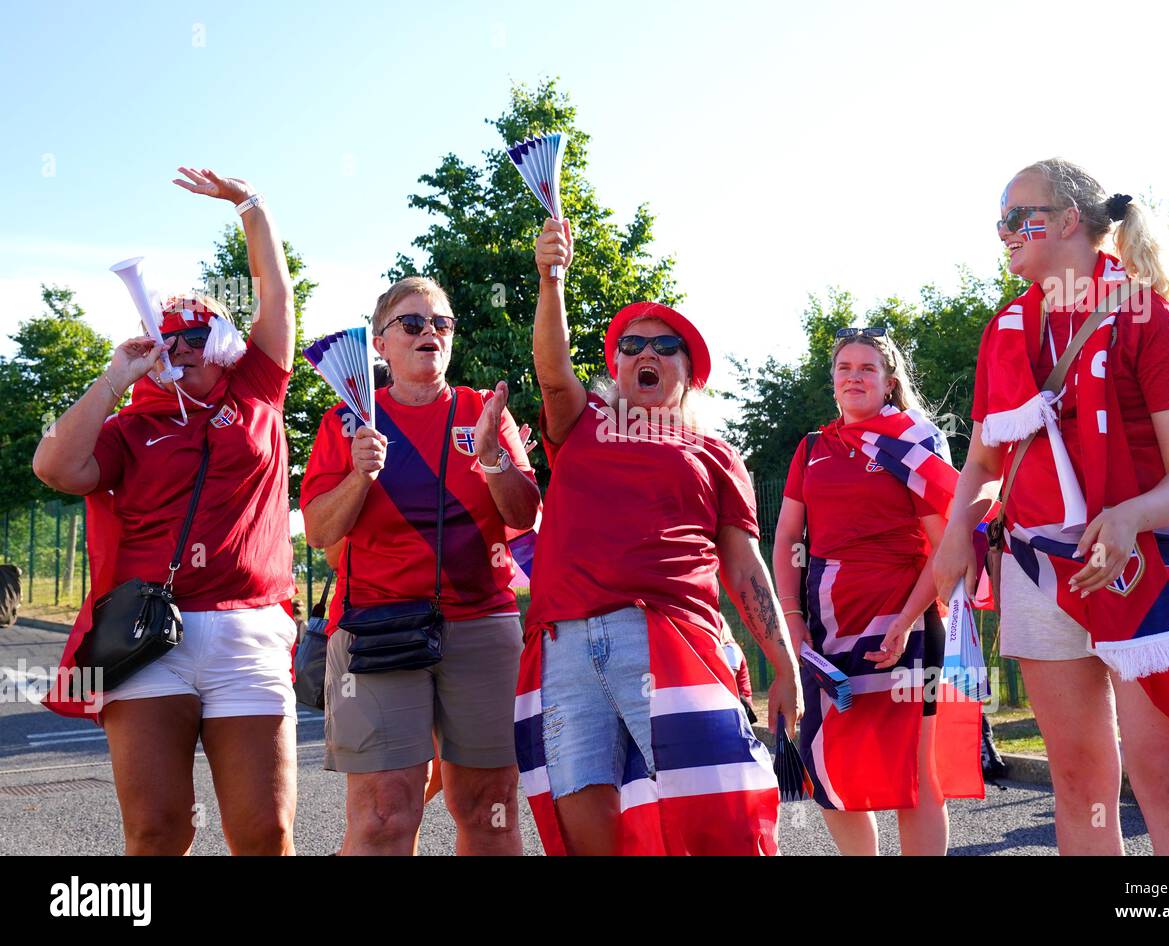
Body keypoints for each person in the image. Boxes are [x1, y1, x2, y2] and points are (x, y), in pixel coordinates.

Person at [934, 158, 1169, 856]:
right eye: (997, 219)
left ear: (1067, 221)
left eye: (1016, 216)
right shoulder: (1004, 330)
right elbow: (985, 459)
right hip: (1038, 568)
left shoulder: (1148, 316)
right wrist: (956, 533)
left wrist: (1126, 517)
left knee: (1167, 781)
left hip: (1147, 564)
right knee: (1079, 784)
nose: (1002, 232)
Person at [516, 217, 801, 856]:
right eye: (633, 344)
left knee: (711, 824)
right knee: (589, 826)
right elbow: (553, 368)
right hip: (564, 645)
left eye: (665, 346)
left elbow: (745, 565)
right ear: (615, 365)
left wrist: (785, 665)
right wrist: (549, 276)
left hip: (670, 640)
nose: (647, 353)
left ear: (689, 372)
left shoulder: (715, 452)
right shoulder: (581, 423)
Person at [35, 168, 298, 855]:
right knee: (156, 833)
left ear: (219, 343)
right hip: (150, 634)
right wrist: (114, 377)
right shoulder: (129, 425)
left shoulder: (259, 389)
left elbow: (277, 293)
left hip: (247, 633)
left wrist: (250, 207)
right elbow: (55, 467)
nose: (173, 349)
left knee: (264, 834)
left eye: (187, 338)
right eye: (162, 340)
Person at [301, 276, 539, 856]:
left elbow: (525, 512)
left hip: (481, 624)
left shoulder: (483, 411)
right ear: (379, 344)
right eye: (412, 323)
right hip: (377, 628)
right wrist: (360, 473)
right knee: (383, 813)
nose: (429, 332)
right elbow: (319, 532)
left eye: (441, 323)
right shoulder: (344, 423)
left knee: (489, 809)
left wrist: (492, 459)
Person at [773, 329, 983, 856]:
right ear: (833, 382)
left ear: (889, 383)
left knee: (916, 778)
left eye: (867, 368)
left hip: (906, 627)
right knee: (823, 768)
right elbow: (785, 543)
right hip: (826, 628)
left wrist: (908, 618)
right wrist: (793, 621)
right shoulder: (812, 448)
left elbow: (945, 547)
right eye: (845, 368)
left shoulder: (915, 442)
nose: (854, 376)